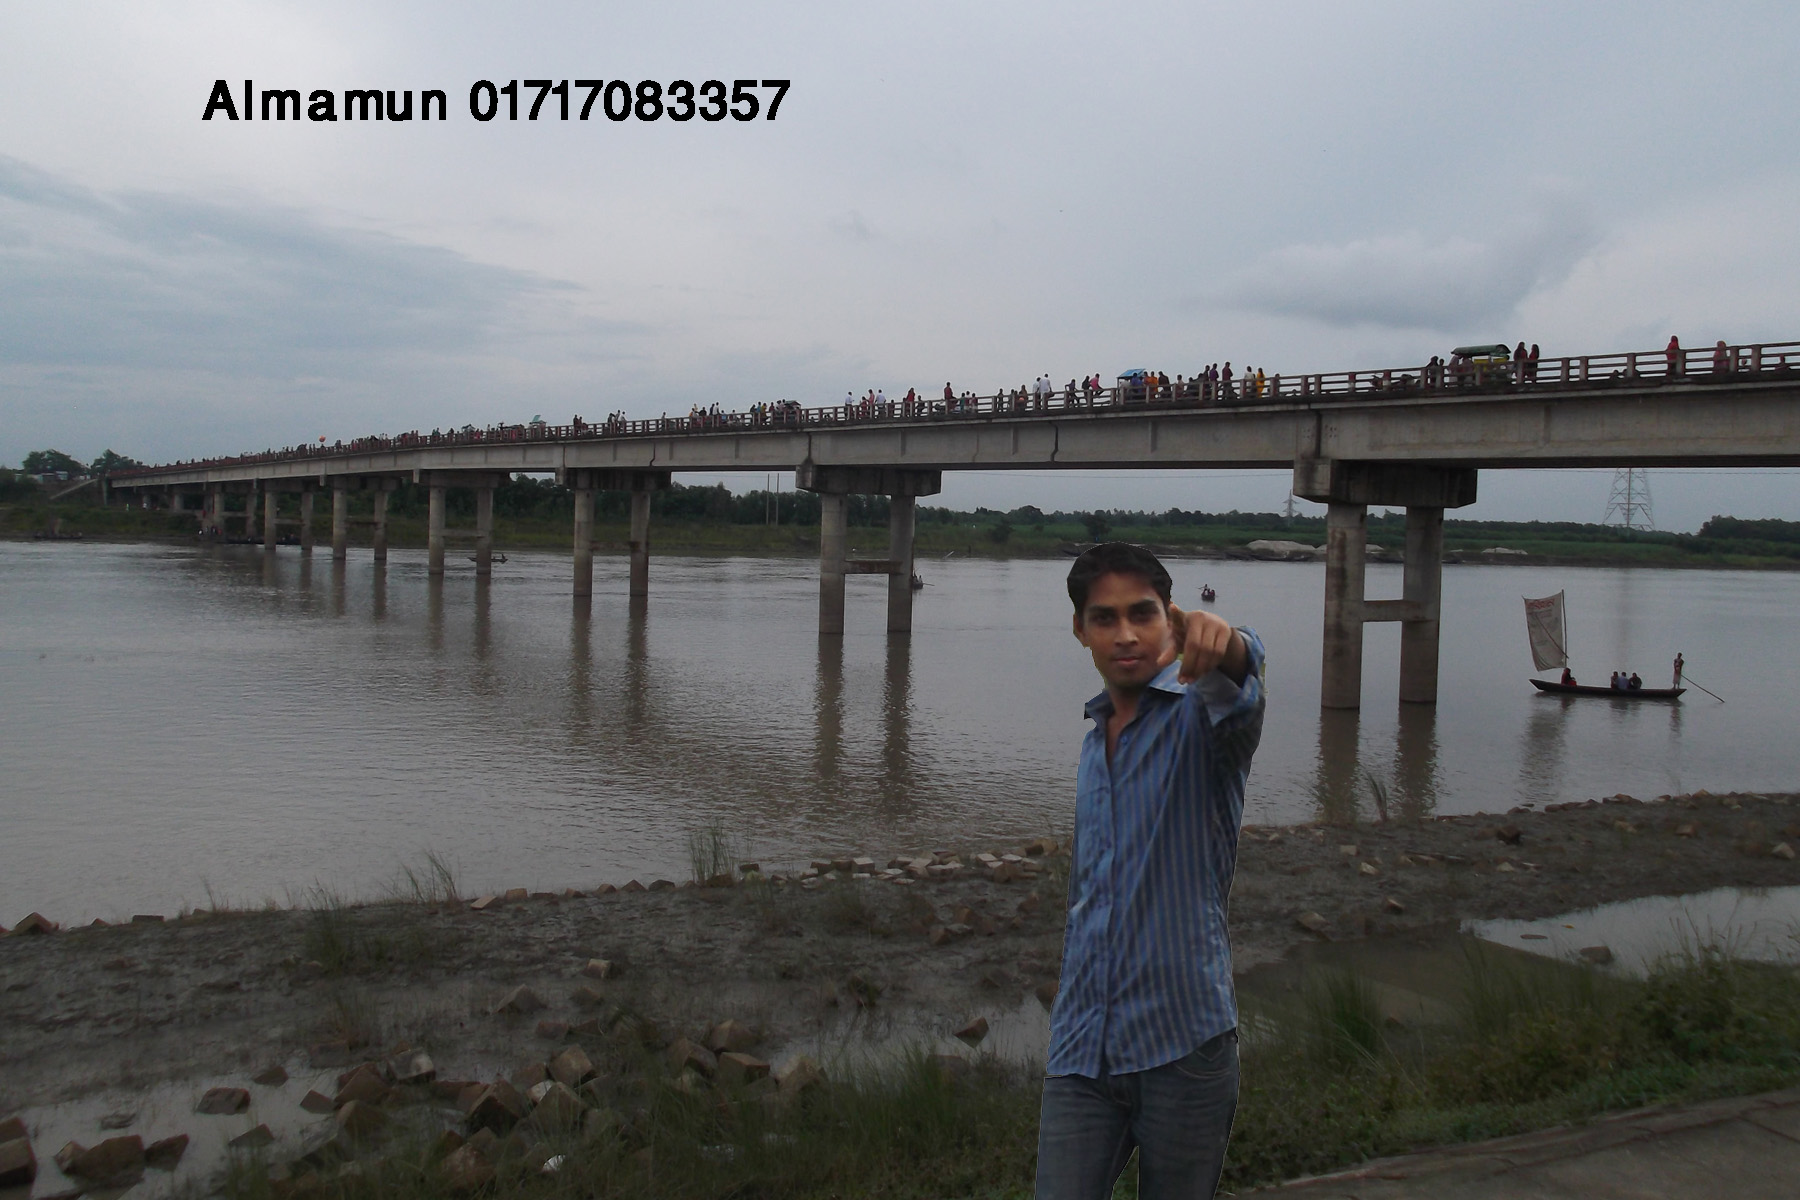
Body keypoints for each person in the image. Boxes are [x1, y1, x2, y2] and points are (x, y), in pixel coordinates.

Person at [1038, 543, 1265, 1200]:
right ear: (1081, 631)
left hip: (1183, 1049)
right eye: (1104, 618)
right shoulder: (1094, 734)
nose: (1126, 634)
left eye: (1142, 613)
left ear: (1171, 618)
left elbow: (1242, 677)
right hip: (1082, 1046)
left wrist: (1232, 645)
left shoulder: (1204, 717)